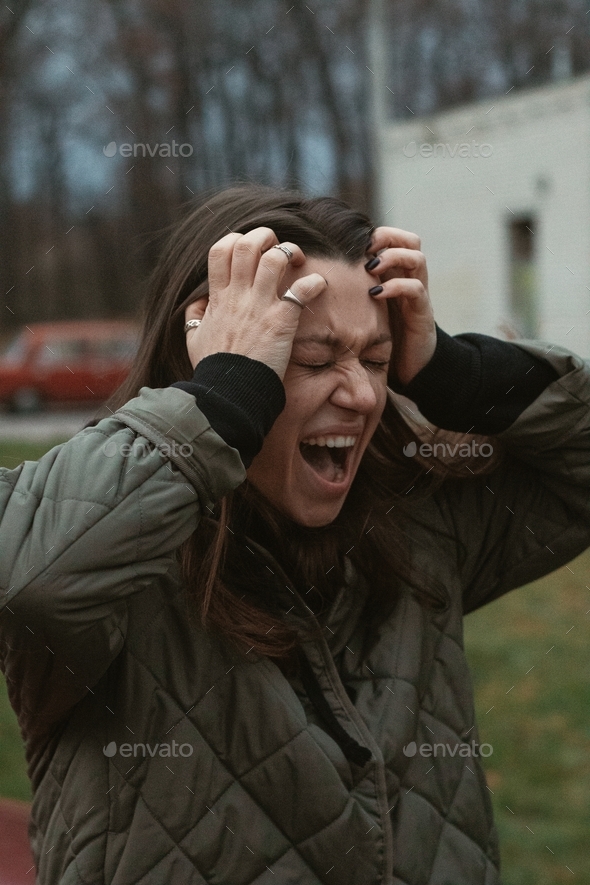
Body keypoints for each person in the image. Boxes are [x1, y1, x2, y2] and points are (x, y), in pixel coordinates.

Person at [1, 184, 589, 885]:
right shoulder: (109, 547)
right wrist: (219, 401)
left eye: (375, 358)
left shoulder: (419, 520)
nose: (364, 395)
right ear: (211, 356)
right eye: (311, 359)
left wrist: (459, 374)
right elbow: (33, 585)